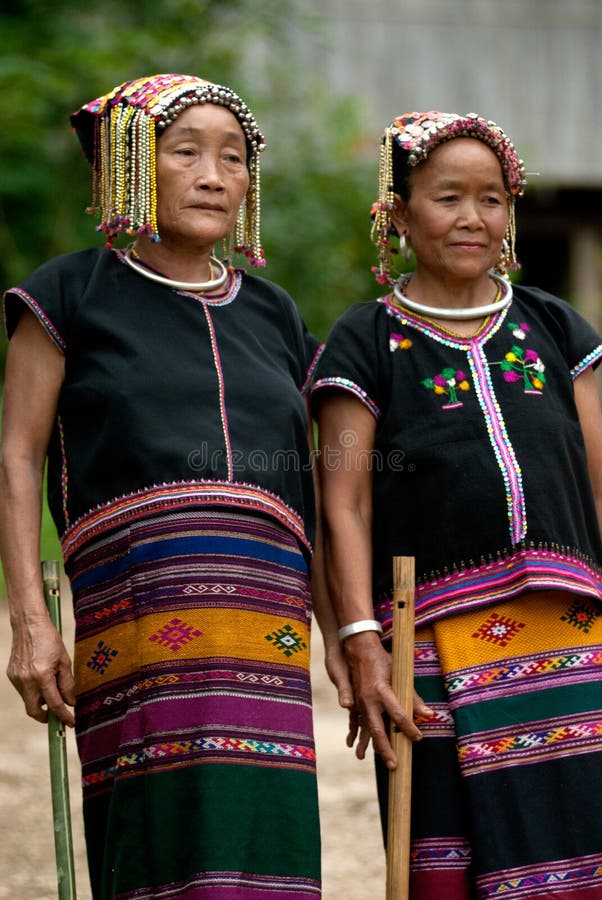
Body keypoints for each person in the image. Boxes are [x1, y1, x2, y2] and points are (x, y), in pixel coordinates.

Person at [0, 73, 349, 900]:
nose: (214, 174)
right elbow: (16, 455)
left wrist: (348, 635)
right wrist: (30, 621)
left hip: (266, 629)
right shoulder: (68, 293)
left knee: (269, 840)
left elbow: (322, 487)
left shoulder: (275, 316)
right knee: (158, 844)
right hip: (142, 614)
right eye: (185, 151)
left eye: (233, 158)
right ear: (129, 165)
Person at [312, 110, 602, 897]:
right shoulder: (364, 341)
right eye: (448, 198)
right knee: (447, 856)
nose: (473, 217)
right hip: (429, 646)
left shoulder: (554, 325)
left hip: (574, 636)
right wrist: (362, 639)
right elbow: (343, 503)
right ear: (398, 215)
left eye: (493, 198)